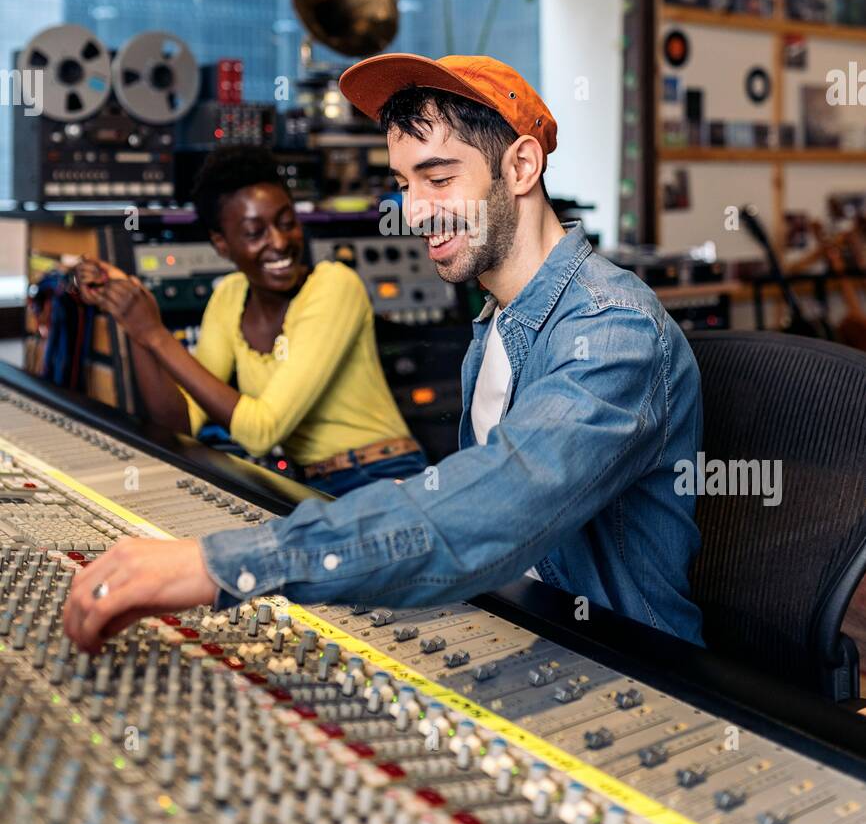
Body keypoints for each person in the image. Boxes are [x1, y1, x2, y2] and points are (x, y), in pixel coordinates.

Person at [65, 55, 704, 654]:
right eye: (403, 183)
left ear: (520, 167)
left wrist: (219, 564)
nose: (414, 211)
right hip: (524, 625)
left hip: (623, 661)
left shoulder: (612, 329)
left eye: (439, 176)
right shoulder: (497, 324)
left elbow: (498, 509)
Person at [72, 146, 426, 497]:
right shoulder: (229, 296)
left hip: (381, 475)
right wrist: (135, 323)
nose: (279, 242)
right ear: (221, 244)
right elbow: (178, 424)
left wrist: (156, 334)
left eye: (287, 223)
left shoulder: (334, 286)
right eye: (255, 233)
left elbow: (262, 431)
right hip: (310, 486)